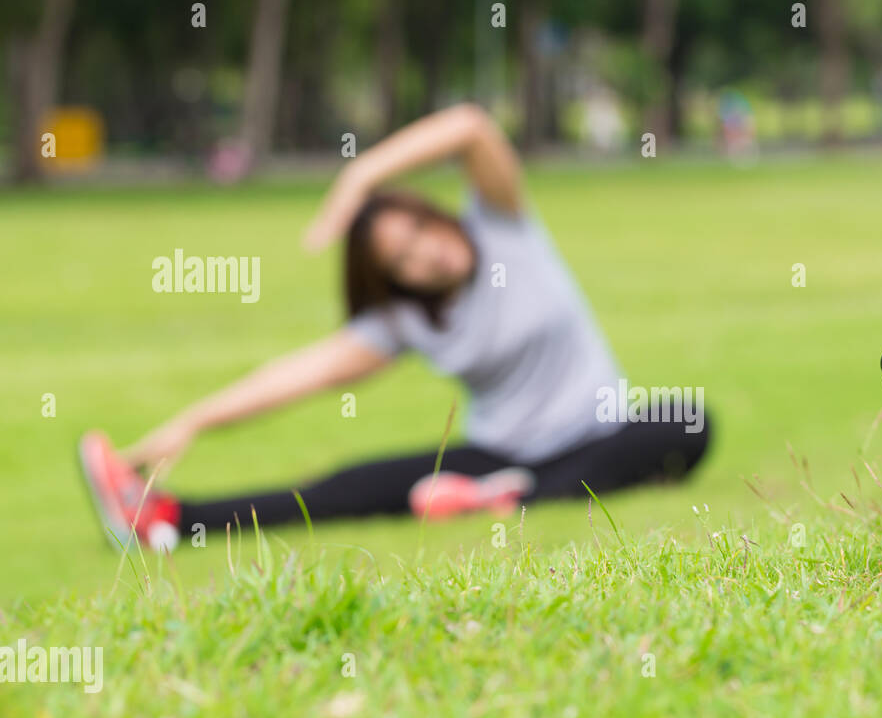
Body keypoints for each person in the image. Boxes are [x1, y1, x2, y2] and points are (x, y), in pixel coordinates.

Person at [79, 104, 710, 551]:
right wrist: (194, 421)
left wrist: (358, 177)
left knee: (687, 420)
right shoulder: (408, 319)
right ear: (395, 281)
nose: (424, 257)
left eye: (418, 235)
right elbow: (304, 373)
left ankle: (511, 498)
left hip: (603, 427)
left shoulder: (503, 225)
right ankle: (167, 519)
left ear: (432, 214)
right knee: (346, 488)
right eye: (401, 262)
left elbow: (470, 126)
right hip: (498, 453)